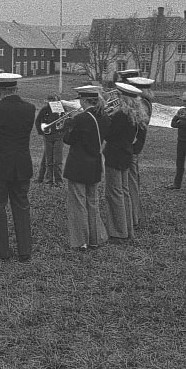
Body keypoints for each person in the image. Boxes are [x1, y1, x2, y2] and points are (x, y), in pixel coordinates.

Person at [0, 73, 35, 262]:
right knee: (21, 206)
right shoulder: (30, 108)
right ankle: (24, 250)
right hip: (21, 163)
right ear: (16, 89)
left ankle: (0, 251)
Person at [62, 85, 110, 250]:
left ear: (84, 100)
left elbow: (69, 140)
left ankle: (81, 241)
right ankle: (95, 238)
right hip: (95, 164)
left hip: (78, 164)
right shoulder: (104, 117)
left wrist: (67, 126)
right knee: (92, 202)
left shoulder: (80, 118)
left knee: (78, 203)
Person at [103, 82, 146, 244]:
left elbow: (109, 135)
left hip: (115, 154)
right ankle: (128, 229)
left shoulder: (120, 115)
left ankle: (118, 232)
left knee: (114, 193)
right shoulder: (137, 114)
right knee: (124, 192)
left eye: (119, 96)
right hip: (126, 153)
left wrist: (107, 116)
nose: (116, 99)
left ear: (124, 97)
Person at [126, 76, 155, 227]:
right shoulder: (144, 102)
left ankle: (133, 215)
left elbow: (134, 125)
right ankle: (133, 214)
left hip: (133, 146)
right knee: (132, 180)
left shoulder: (142, 103)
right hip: (134, 145)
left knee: (131, 182)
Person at [34, 92, 66, 185]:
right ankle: (48, 180)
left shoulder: (62, 109)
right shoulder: (45, 109)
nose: (52, 102)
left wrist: (63, 132)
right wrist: (42, 132)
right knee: (48, 159)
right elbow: (38, 121)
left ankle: (58, 180)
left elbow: (66, 121)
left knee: (57, 160)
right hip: (48, 136)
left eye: (53, 100)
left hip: (58, 136)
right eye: (50, 100)